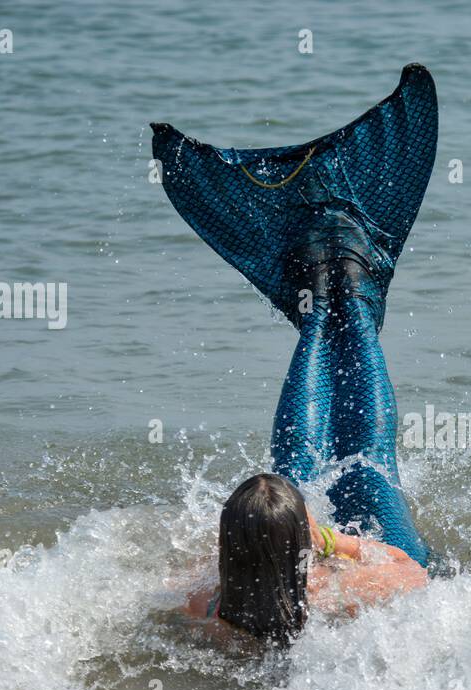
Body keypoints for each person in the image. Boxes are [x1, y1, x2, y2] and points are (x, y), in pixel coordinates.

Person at [154, 65, 439, 645]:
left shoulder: (211, 608)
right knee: (363, 465)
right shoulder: (342, 595)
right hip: (362, 551)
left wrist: (264, 540)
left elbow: (176, 590)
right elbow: (410, 574)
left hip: (281, 556)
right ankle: (333, 287)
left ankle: (334, 287)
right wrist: (328, 539)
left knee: (300, 483)